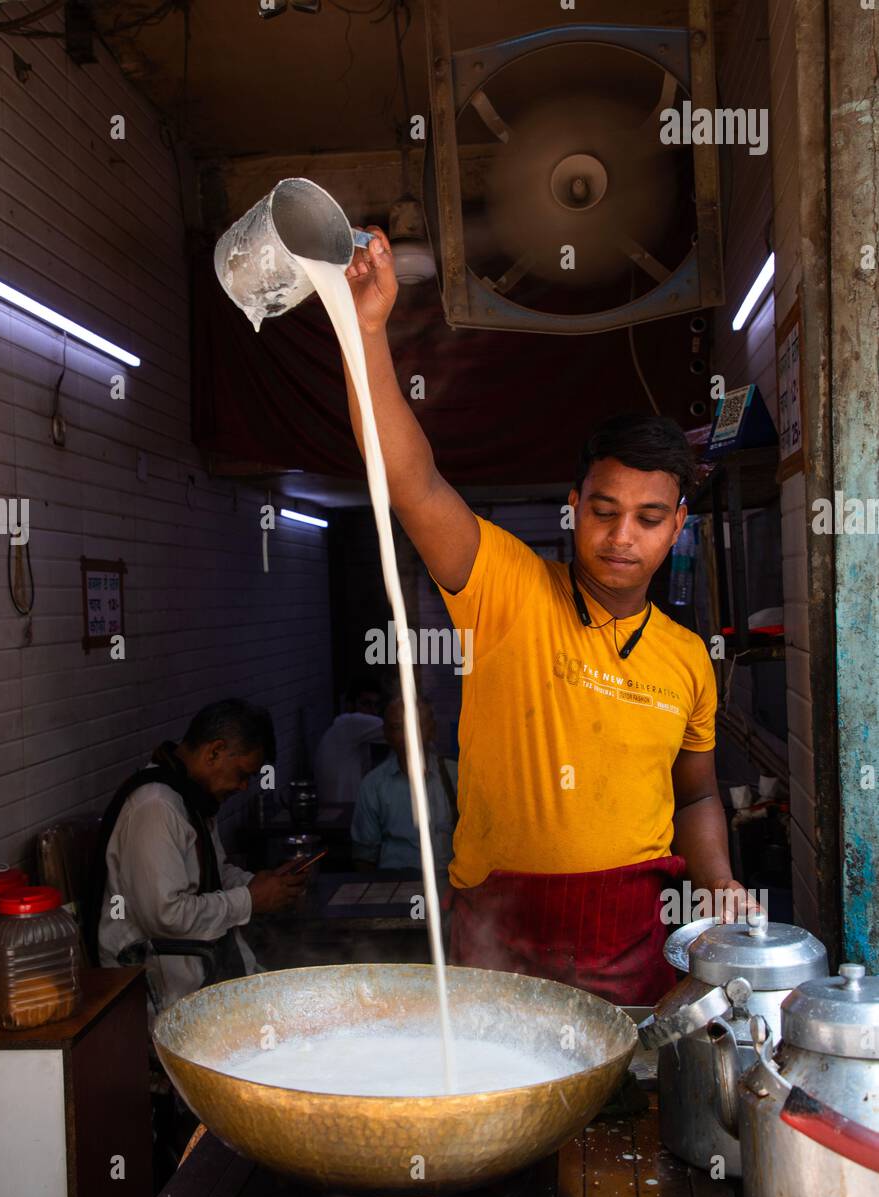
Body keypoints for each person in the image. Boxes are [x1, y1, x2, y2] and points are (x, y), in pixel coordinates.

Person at [337, 229, 756, 1006]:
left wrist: (720, 883)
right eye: (601, 511)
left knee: (620, 1118)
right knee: (502, 1114)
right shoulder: (505, 586)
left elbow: (695, 793)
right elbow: (412, 480)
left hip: (631, 933)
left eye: (646, 517)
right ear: (572, 510)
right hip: (499, 927)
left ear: (676, 526)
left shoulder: (685, 658)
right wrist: (367, 331)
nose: (620, 536)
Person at [87, 699, 306, 1015]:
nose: (244, 786)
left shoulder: (190, 798)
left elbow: (214, 871)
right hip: (157, 991)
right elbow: (167, 916)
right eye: (243, 773)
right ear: (214, 751)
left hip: (197, 970)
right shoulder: (156, 808)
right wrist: (250, 900)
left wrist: (263, 884)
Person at [350, 697, 457, 873]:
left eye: (417, 725)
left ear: (432, 730)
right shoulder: (373, 785)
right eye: (398, 728)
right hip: (393, 882)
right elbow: (364, 857)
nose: (409, 736)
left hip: (447, 882)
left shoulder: (454, 776)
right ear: (386, 734)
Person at [313, 675, 387, 803]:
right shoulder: (349, 723)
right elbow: (399, 730)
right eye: (366, 704)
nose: (373, 711)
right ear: (350, 706)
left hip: (342, 811)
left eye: (376, 705)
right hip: (341, 813)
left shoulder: (354, 736)